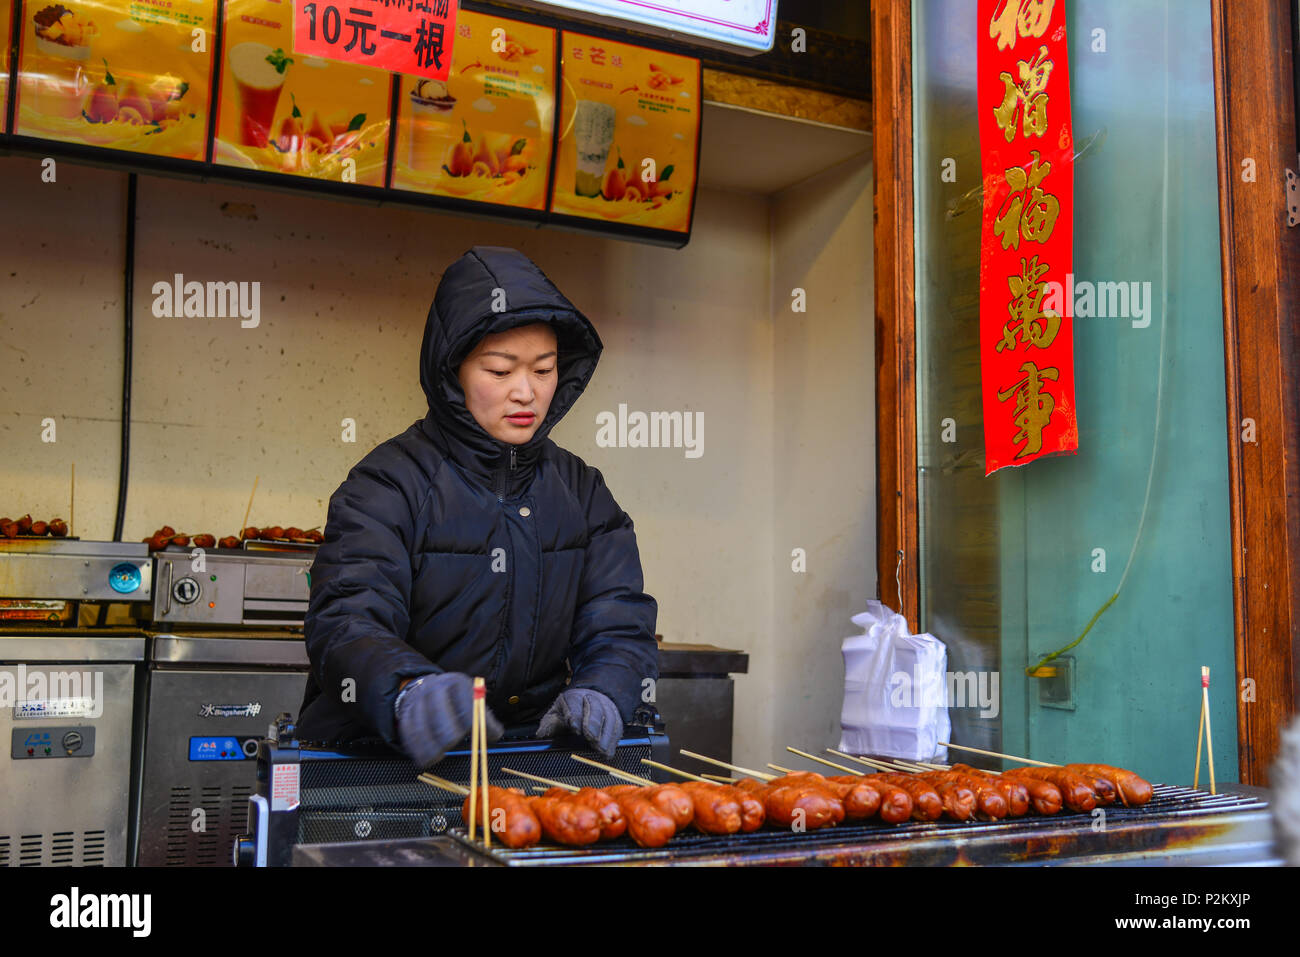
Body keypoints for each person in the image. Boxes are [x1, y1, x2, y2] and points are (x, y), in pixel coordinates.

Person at [296, 246, 658, 766]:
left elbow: (619, 622)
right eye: (500, 370)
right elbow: (347, 620)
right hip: (374, 769)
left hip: (520, 764)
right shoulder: (387, 484)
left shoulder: (582, 491)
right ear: (453, 372)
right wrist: (409, 690)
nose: (526, 392)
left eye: (544, 369)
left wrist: (605, 690)